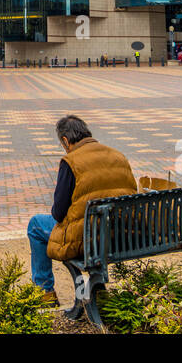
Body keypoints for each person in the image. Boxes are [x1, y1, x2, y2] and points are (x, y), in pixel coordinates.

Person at [26, 115, 137, 308]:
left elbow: (58, 213)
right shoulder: (118, 155)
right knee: (92, 222)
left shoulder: (71, 161)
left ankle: (45, 292)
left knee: (36, 225)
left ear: (66, 141)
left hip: (87, 240)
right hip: (121, 237)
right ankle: (97, 291)